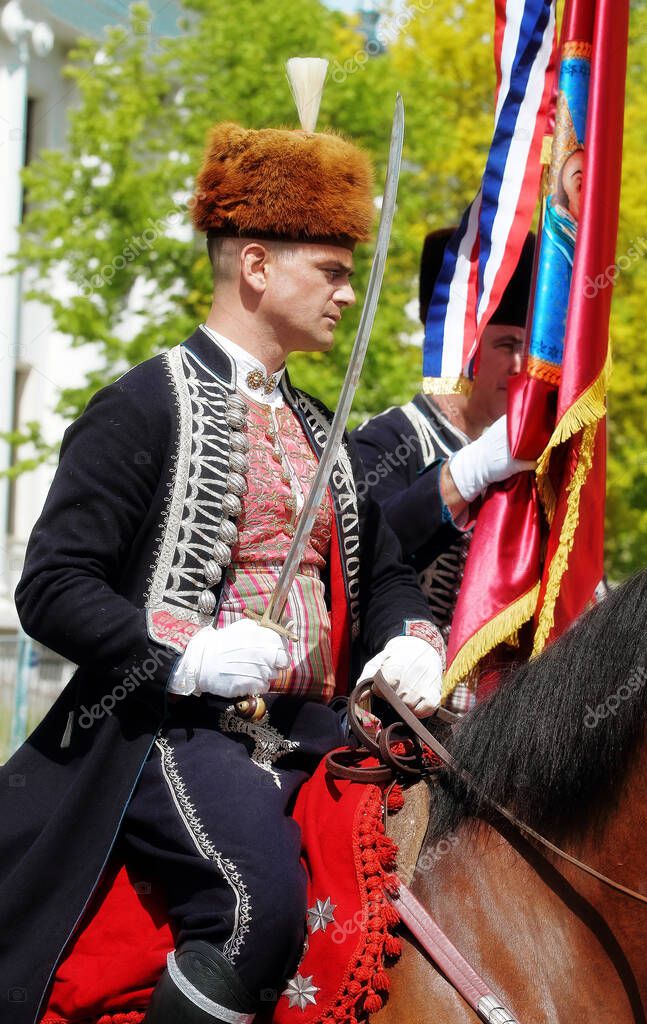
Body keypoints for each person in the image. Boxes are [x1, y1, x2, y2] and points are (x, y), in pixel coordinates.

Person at [0, 120, 445, 1024]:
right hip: (173, 729)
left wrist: (409, 640)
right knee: (256, 912)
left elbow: (388, 573)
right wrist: (188, 654)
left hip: (315, 725)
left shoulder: (323, 428)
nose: (345, 294)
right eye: (330, 270)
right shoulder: (138, 407)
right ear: (254, 266)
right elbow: (51, 584)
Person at [352, 230, 536, 711]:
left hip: (509, 718)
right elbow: (364, 550)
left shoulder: (532, 457)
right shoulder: (389, 438)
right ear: (462, 347)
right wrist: (464, 474)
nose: (521, 365)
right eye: (505, 344)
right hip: (406, 710)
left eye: (529, 348)